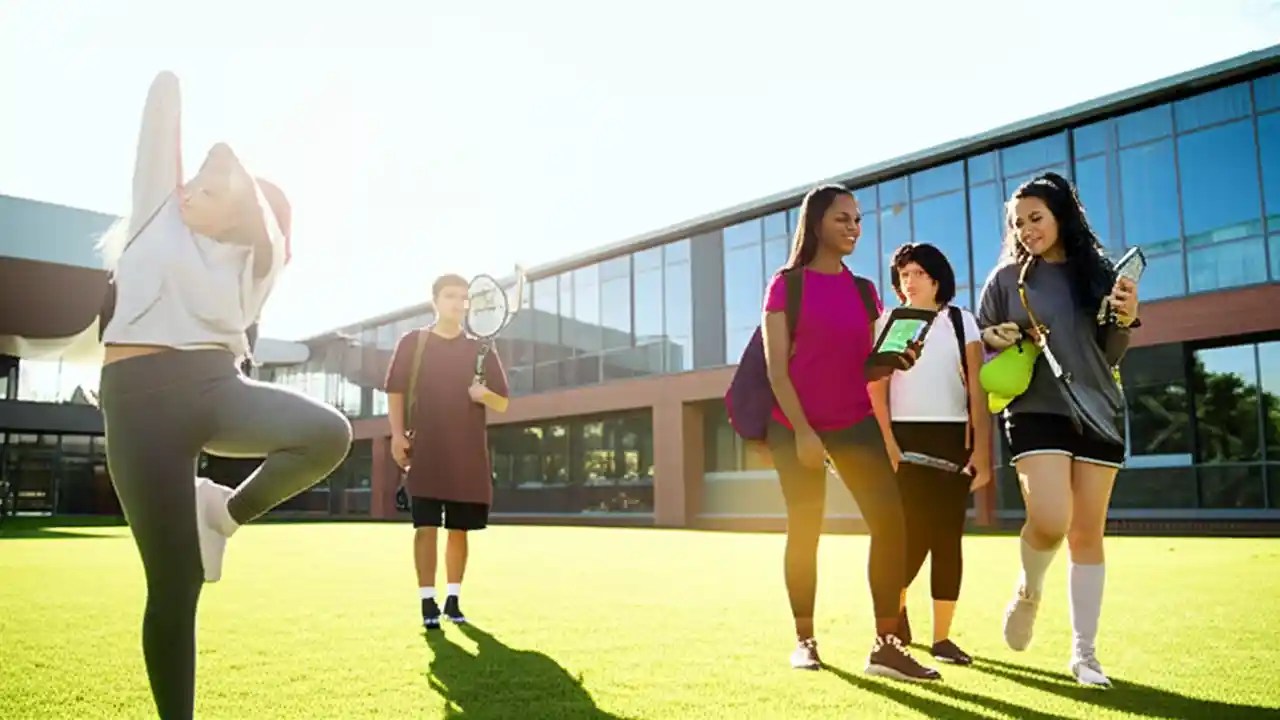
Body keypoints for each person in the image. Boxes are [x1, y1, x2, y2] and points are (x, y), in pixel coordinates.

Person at [96, 71, 353, 720]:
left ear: (238, 215)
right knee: (175, 586)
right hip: (135, 408)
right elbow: (159, 111)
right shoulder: (158, 213)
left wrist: (244, 187)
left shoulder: (247, 271)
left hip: (212, 389)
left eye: (208, 191)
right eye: (192, 181)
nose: (189, 192)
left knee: (329, 435)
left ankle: (224, 515)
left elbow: (274, 239)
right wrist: (177, 84)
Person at [763, 184, 939, 681]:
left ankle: (886, 646)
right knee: (806, 529)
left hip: (853, 420)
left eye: (858, 220)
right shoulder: (786, 285)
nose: (854, 228)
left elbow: (867, 367)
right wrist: (801, 431)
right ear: (816, 222)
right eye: (843, 218)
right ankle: (805, 640)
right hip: (795, 422)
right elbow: (777, 372)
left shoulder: (864, 291)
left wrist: (896, 359)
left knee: (891, 524)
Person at [977, 172, 1139, 688]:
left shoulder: (1099, 273)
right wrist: (997, 337)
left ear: (1061, 215)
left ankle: (1084, 655)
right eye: (1018, 222)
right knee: (1049, 520)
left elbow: (1111, 353)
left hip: (1098, 409)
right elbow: (981, 342)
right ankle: (1029, 590)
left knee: (1087, 534)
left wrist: (1125, 318)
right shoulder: (1007, 279)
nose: (1026, 229)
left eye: (1035, 218)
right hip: (1035, 407)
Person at [868, 243, 991, 667]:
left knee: (947, 541)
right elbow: (875, 387)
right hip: (905, 439)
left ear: (937, 279)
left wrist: (983, 452)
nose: (909, 280)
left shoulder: (963, 322)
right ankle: (895, 619)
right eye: (903, 273)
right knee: (909, 540)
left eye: (917, 272)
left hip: (953, 439)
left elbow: (978, 388)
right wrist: (887, 440)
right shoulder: (888, 321)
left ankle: (942, 639)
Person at [384, 273, 510, 630]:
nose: (458, 302)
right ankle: (428, 601)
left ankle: (453, 600)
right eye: (450, 296)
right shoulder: (414, 342)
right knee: (425, 526)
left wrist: (482, 394)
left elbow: (502, 402)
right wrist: (396, 435)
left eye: (463, 297)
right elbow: (394, 389)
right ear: (436, 301)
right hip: (425, 451)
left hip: (468, 457)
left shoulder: (481, 350)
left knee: (459, 530)